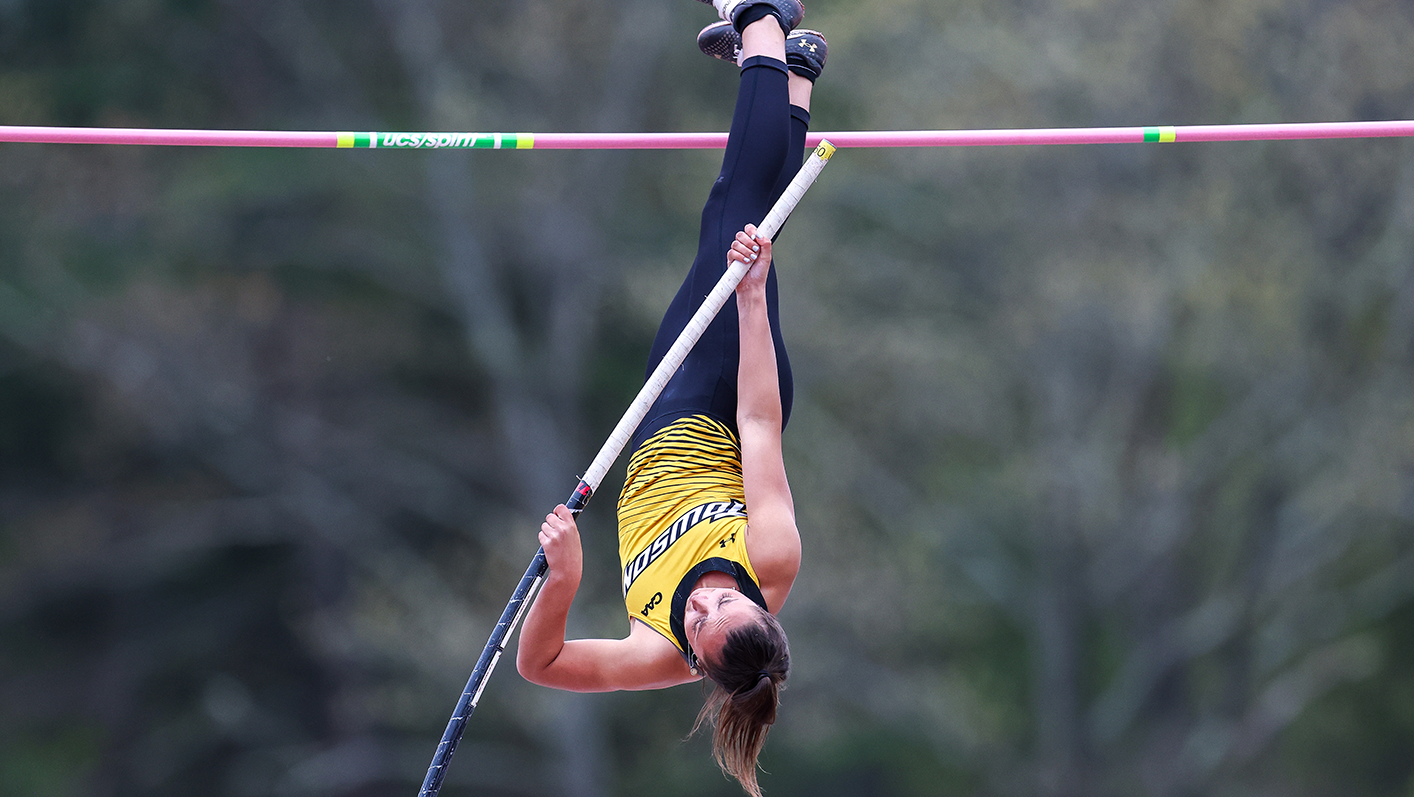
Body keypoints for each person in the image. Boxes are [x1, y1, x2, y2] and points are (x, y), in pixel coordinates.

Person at [516, 1, 826, 794]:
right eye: (724, 607)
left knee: (745, 210)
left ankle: (792, 83)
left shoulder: (657, 651)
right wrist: (751, 298)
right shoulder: (771, 557)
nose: (700, 609)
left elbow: (541, 664)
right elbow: (760, 423)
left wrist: (563, 579)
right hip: (727, 397)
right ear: (763, 608)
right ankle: (763, 19)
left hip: (660, 413)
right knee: (731, 214)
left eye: (698, 627)